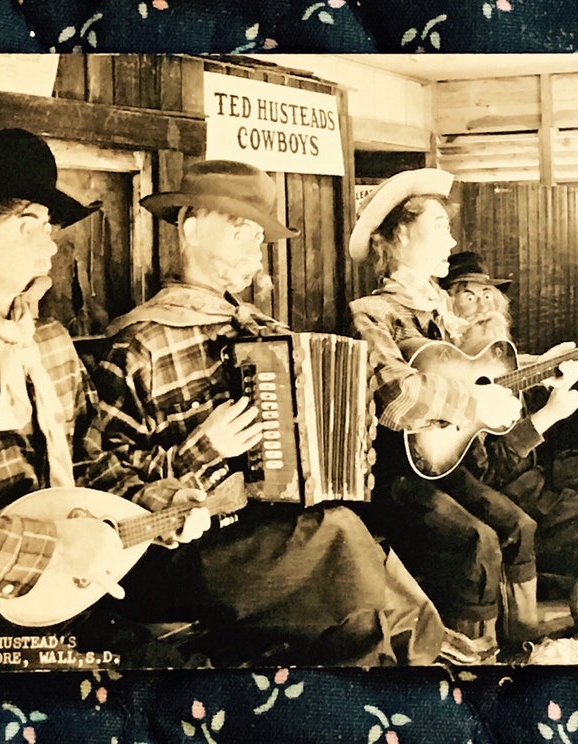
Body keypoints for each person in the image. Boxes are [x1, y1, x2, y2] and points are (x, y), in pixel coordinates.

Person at [86, 159, 446, 667]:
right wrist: (202, 448)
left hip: (266, 532)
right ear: (189, 230)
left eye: (258, 234)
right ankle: (389, 692)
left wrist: (346, 434)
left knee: (374, 588)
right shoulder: (136, 344)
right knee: (343, 544)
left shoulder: (263, 332)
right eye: (239, 230)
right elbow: (102, 485)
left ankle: (397, 679)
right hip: (177, 554)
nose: (255, 247)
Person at [0, 128, 210, 669]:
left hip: (78, 601)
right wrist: (45, 548)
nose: (51, 243)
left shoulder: (49, 343)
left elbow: (88, 467)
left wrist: (152, 502)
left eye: (48, 226)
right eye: (27, 223)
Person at [347, 169, 578, 658]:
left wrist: (544, 368)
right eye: (439, 226)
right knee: (475, 541)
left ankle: (521, 638)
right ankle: (473, 656)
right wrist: (473, 402)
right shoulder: (371, 314)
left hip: (447, 464)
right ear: (397, 236)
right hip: (396, 476)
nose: (452, 239)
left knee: (518, 526)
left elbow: (475, 371)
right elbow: (394, 394)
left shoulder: (441, 311)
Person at [441, 251, 578, 569]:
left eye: (488, 294)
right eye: (469, 295)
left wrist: (549, 371)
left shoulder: (498, 354)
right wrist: (548, 416)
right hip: (505, 490)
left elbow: (518, 379)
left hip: (535, 469)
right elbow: (488, 472)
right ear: (448, 305)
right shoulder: (449, 369)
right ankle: (558, 578)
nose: (484, 305)